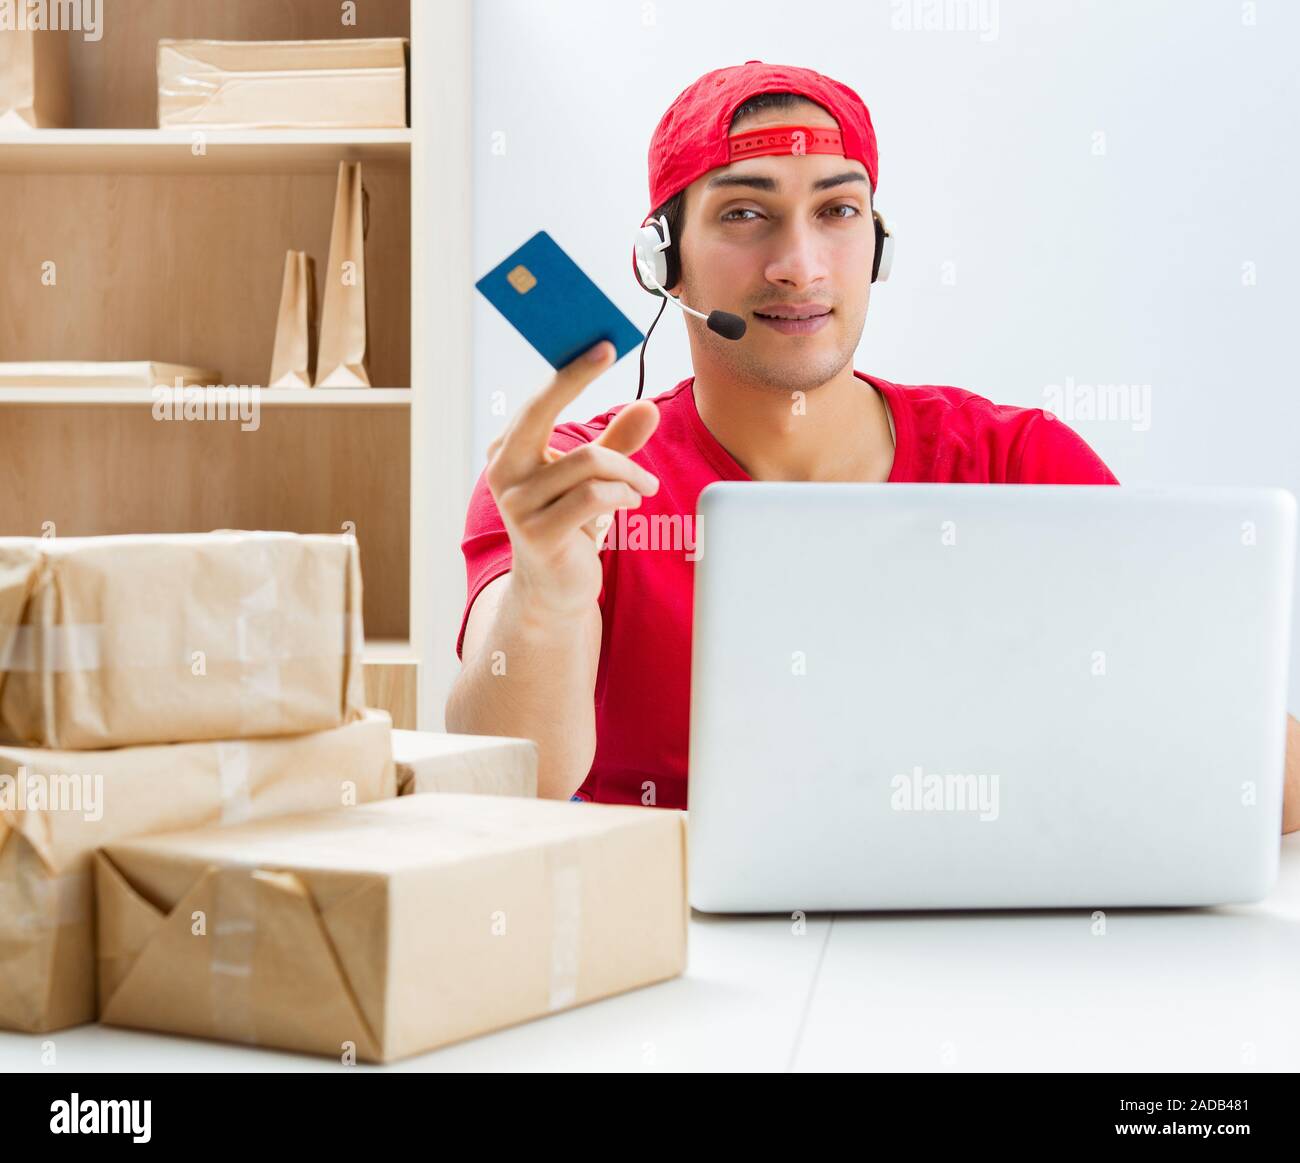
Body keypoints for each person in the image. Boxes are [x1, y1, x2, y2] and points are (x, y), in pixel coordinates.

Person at [446, 61, 1300, 830]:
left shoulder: (1021, 466)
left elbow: (1252, 769)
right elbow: (502, 794)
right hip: (663, 953)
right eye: (746, 213)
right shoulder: (567, 488)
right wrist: (548, 596)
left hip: (969, 943)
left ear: (876, 245)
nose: (801, 264)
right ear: (660, 260)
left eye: (837, 210)